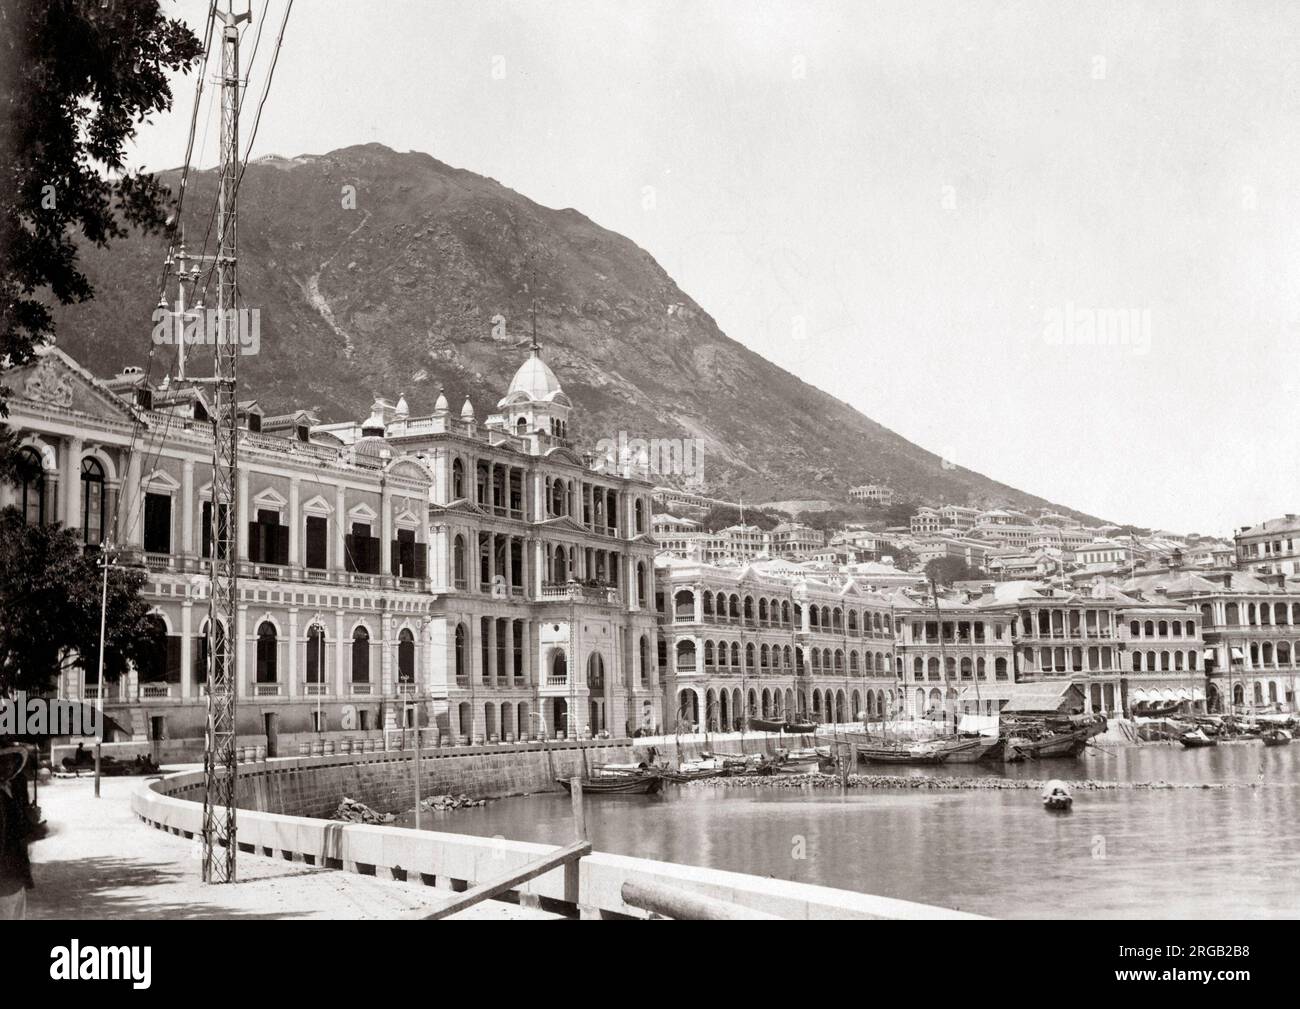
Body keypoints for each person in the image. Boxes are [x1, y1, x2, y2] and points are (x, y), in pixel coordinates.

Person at [0, 745, 37, 920]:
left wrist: (31, 819)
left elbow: (19, 832)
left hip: (16, 876)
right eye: (3, 762)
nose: (8, 766)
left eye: (12, 762)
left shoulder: (10, 789)